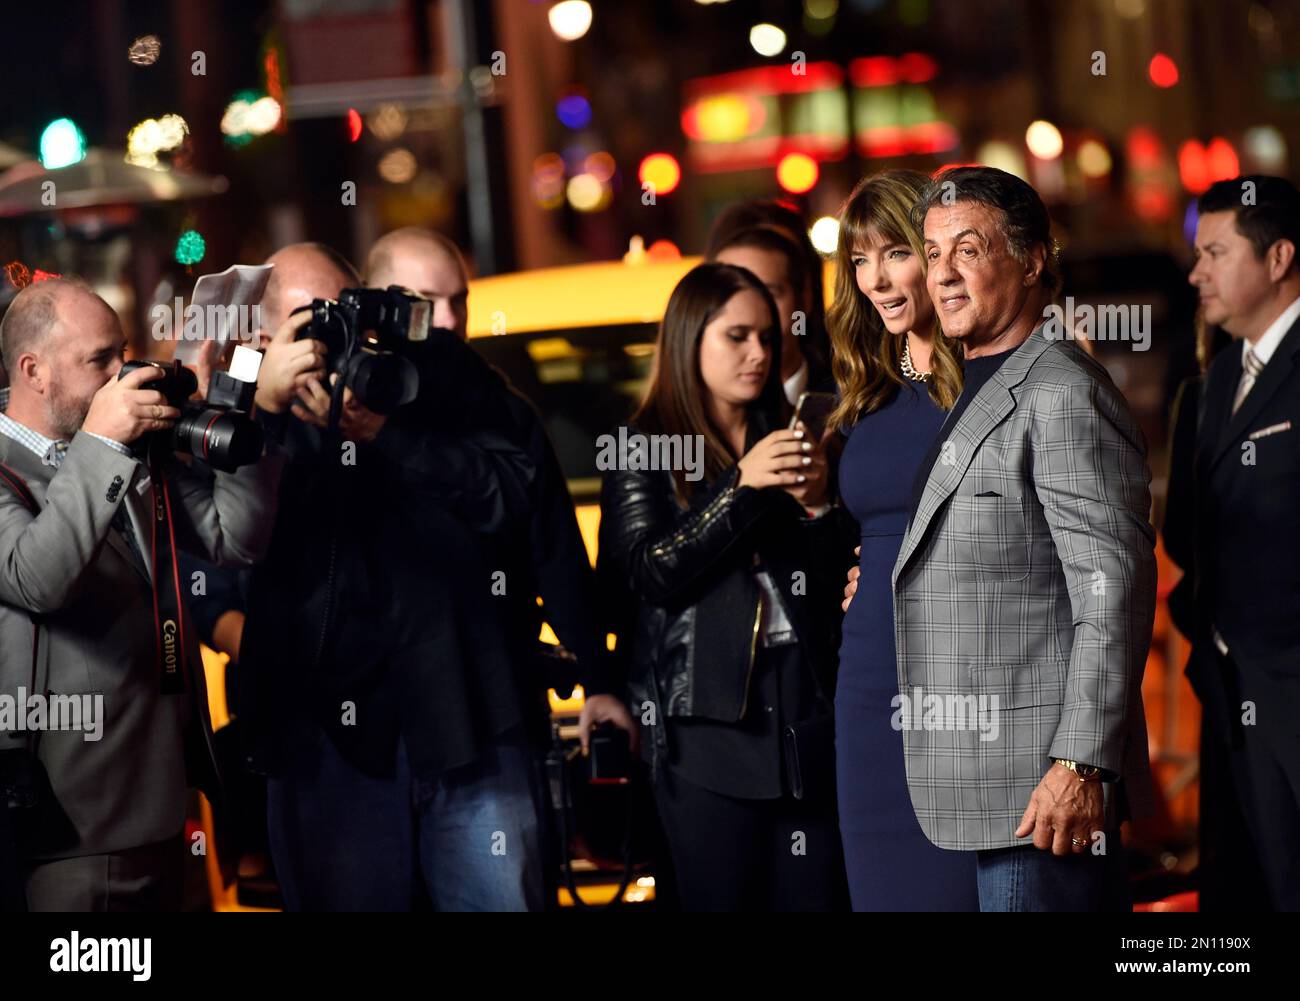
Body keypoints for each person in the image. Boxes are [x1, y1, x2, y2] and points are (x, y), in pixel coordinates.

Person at [857, 167, 1157, 911]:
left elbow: (1112, 589)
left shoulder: (1061, 390)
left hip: (1042, 799)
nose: (944, 273)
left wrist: (1081, 763)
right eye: (931, 253)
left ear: (1030, 261)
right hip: (985, 789)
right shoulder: (983, 383)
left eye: (968, 249)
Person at [234, 243, 545, 911]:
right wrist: (261, 406)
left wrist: (383, 431)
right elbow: (217, 539)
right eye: (308, 320)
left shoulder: (438, 376)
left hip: (467, 720)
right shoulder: (241, 408)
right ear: (263, 335)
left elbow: (512, 499)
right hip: (329, 746)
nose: (330, 336)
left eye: (340, 315)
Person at [0, 278, 290, 910]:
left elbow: (234, 539)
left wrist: (236, 395)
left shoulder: (125, 447)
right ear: (34, 370)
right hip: (75, 824)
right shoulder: (27, 463)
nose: (121, 374)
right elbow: (36, 579)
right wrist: (103, 443)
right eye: (98, 361)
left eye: (121, 353)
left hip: (168, 796)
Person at [598, 262, 854, 911]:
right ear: (691, 339)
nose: (759, 354)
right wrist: (740, 488)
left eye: (767, 337)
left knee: (818, 893)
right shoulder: (646, 445)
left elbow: (835, 582)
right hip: (706, 718)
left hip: (804, 706)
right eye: (737, 336)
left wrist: (822, 506)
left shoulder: (792, 432)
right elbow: (651, 571)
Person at [364, 227, 636, 752]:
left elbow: (557, 558)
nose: (448, 319)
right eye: (425, 303)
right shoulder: (344, 407)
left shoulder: (503, 411)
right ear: (378, 307)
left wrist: (599, 680)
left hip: (496, 716)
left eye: (458, 301)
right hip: (377, 733)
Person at [825, 169, 974, 911]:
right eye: (859, 260)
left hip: (966, 683)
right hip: (867, 683)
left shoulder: (989, 373)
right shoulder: (867, 388)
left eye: (894, 253)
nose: (876, 278)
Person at [1178, 175, 1300, 910]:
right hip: (1231, 694)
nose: (1197, 272)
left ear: (1280, 257)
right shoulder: (1220, 374)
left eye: (1216, 252)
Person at [707, 200, 836, 403]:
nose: (750, 310)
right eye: (732, 291)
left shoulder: (852, 396)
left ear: (805, 294)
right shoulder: (672, 425)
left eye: (768, 291)